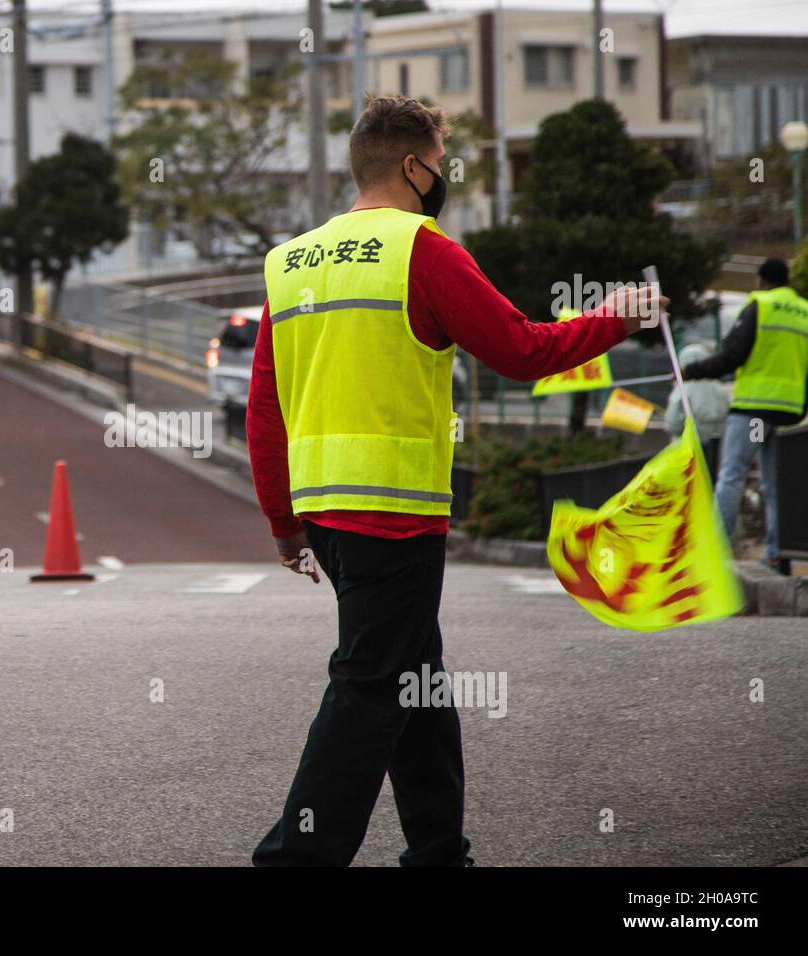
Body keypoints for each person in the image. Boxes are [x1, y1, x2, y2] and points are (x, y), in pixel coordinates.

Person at [247, 94, 662, 867]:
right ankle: (292, 860)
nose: (442, 179)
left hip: (327, 516)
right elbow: (522, 349)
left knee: (419, 686)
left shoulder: (290, 261)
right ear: (412, 166)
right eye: (438, 164)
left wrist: (283, 521)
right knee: (371, 689)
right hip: (394, 516)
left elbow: (263, 406)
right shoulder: (424, 251)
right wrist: (617, 315)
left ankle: (440, 851)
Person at [682, 258, 808, 571]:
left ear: (762, 280)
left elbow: (731, 356)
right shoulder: (804, 312)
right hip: (788, 412)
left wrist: (691, 371)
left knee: (733, 474)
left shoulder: (760, 306)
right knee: (773, 481)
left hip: (755, 415)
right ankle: (778, 552)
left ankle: (713, 551)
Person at [664, 342, 728, 442]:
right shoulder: (720, 388)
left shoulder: (682, 389)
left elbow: (673, 423)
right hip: (719, 444)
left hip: (690, 444)